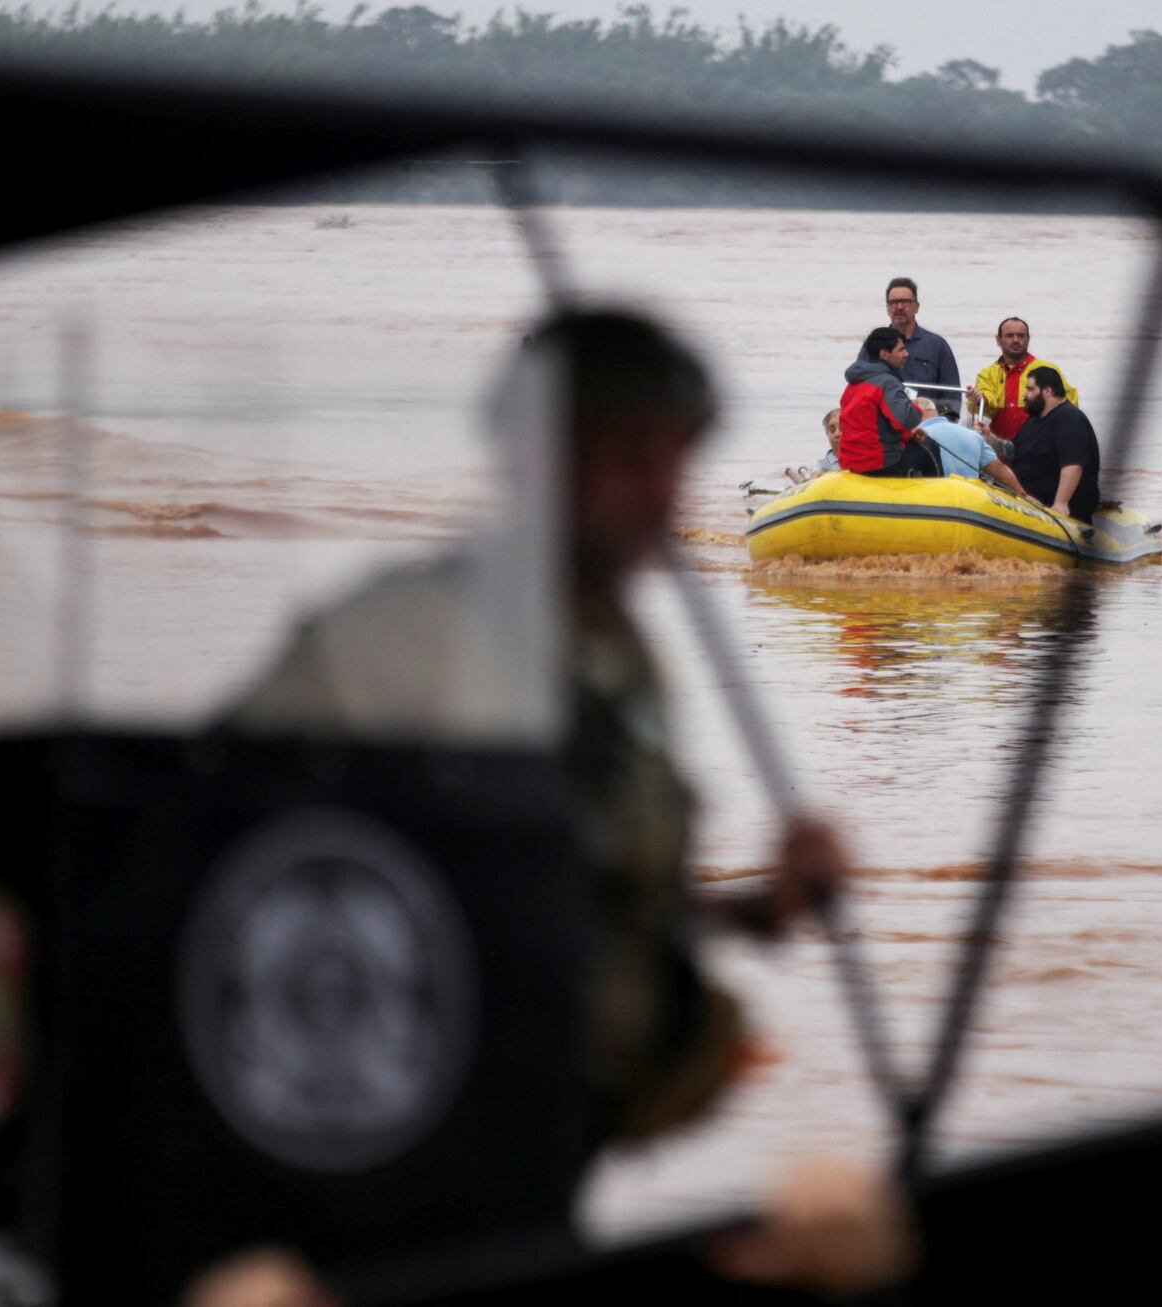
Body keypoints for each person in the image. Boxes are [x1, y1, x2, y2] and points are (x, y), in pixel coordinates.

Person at [226, 308, 914, 1301]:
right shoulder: (401, 640)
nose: (660, 492)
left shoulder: (617, 658)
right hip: (388, 1196)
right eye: (626, 456)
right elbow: (233, 875)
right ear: (531, 456)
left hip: (544, 1163)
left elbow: (583, 901)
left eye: (675, 459)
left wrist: (759, 907)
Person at [839, 326, 937, 478]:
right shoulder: (888, 383)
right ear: (884, 354)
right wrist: (917, 407)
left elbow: (872, 426)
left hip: (850, 462)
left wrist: (907, 435)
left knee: (911, 444)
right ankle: (936, 489)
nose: (906, 354)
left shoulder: (853, 384)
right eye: (901, 350)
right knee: (929, 448)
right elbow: (907, 419)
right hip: (880, 463)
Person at [1009, 367, 1102, 522]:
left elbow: (1073, 465)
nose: (1024, 394)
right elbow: (1014, 451)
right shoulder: (1035, 419)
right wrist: (990, 439)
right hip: (1025, 501)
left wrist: (1061, 503)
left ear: (1047, 391)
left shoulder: (1070, 418)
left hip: (1058, 512)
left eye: (1030, 389)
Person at [971, 317, 1080, 444]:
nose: (1016, 340)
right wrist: (980, 398)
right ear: (998, 340)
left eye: (1021, 336)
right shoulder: (987, 374)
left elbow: (1070, 405)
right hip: (998, 448)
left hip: (1039, 447)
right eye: (1009, 336)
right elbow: (981, 402)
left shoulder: (1047, 370)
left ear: (1028, 340)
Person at [907, 397, 1036, 502]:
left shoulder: (915, 438)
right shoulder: (972, 435)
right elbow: (999, 468)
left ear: (913, 412)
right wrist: (1023, 496)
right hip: (969, 504)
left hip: (933, 503)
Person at [881, 277, 960, 412]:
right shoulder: (874, 345)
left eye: (905, 302)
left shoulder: (937, 345)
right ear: (887, 308)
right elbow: (860, 386)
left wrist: (938, 419)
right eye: (893, 302)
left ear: (916, 307)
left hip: (927, 421)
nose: (899, 307)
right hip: (886, 421)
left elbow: (952, 396)